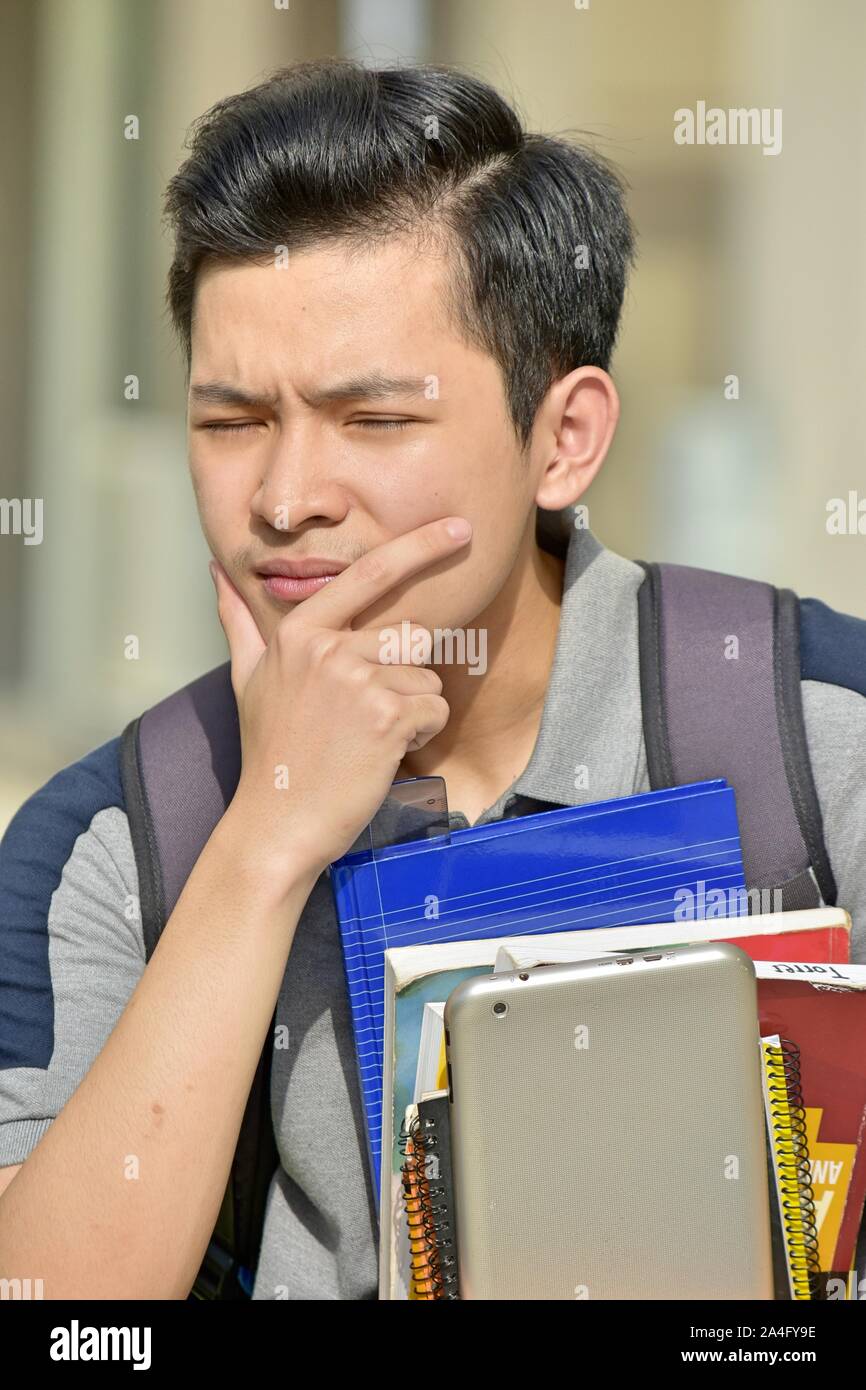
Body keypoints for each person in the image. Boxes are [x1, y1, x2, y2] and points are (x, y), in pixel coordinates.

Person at [1, 58, 864, 1301]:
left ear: (561, 437)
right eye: (232, 420)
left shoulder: (812, 743)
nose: (286, 500)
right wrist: (264, 843)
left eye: (373, 421)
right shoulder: (118, 839)